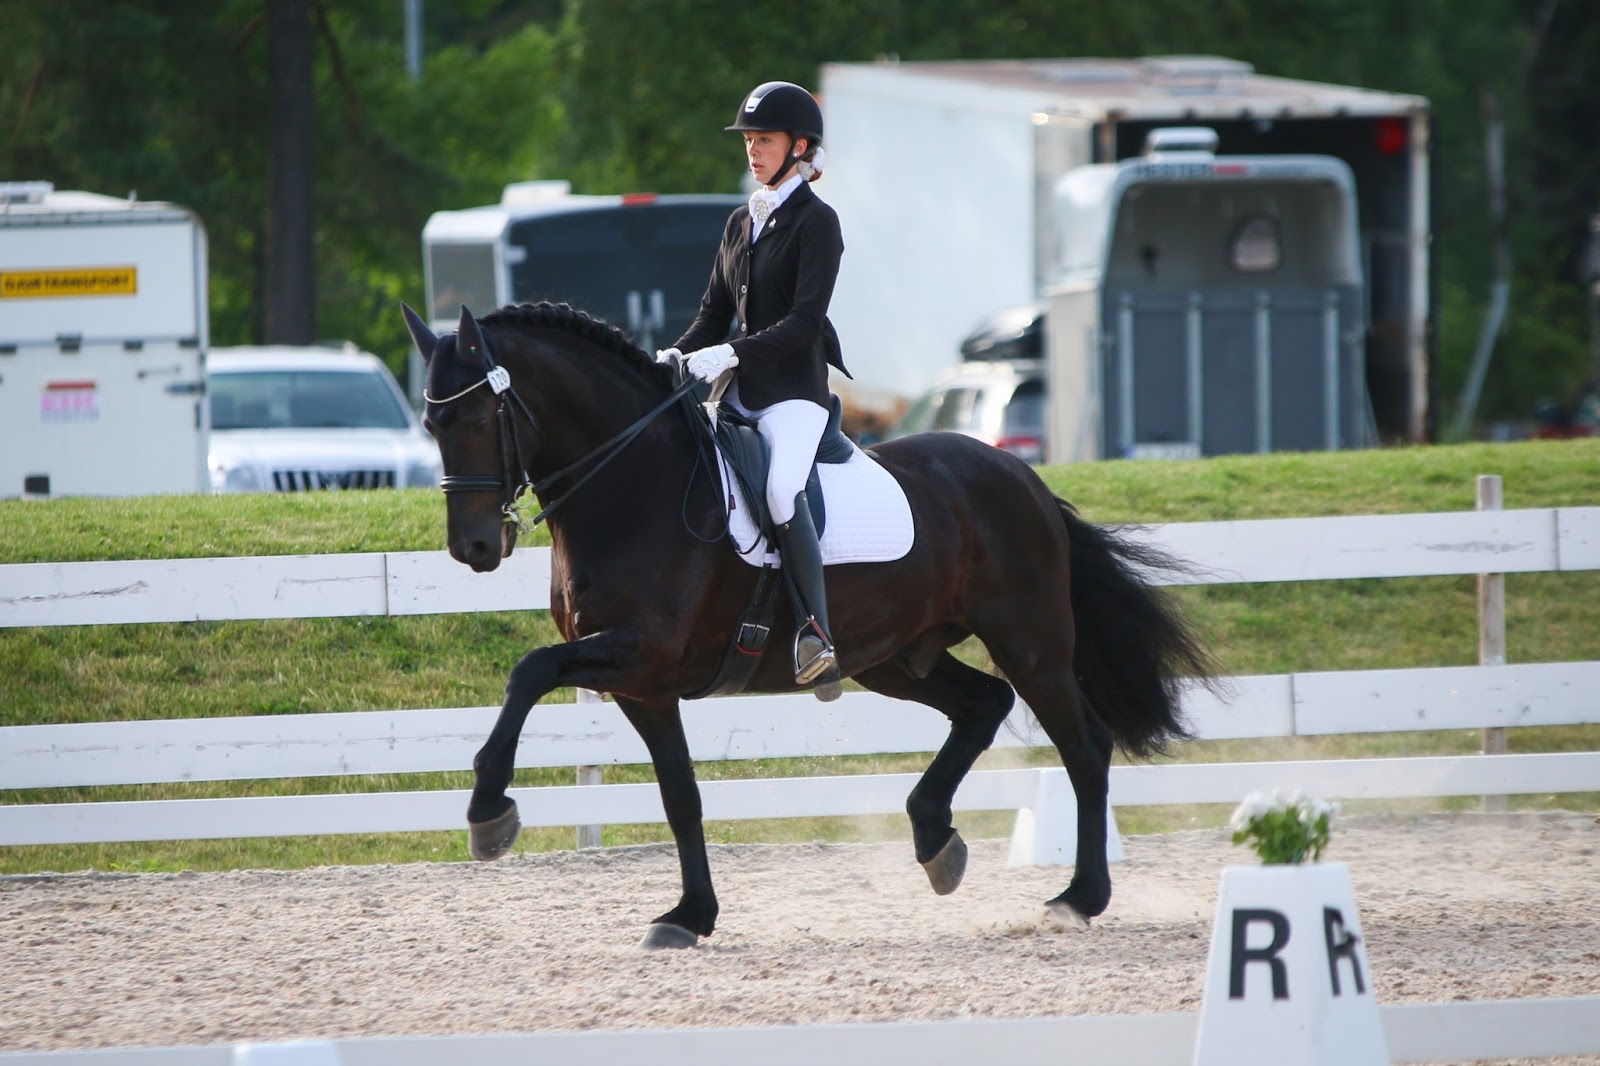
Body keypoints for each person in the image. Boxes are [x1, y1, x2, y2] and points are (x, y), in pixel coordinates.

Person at [656, 80, 850, 698]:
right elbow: (712, 313)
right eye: (749, 140)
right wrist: (674, 356)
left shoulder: (818, 223)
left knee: (781, 489)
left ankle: (817, 635)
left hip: (794, 395)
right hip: (739, 395)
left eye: (763, 140)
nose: (753, 150)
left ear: (799, 147)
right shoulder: (742, 220)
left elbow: (804, 323)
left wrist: (732, 352)